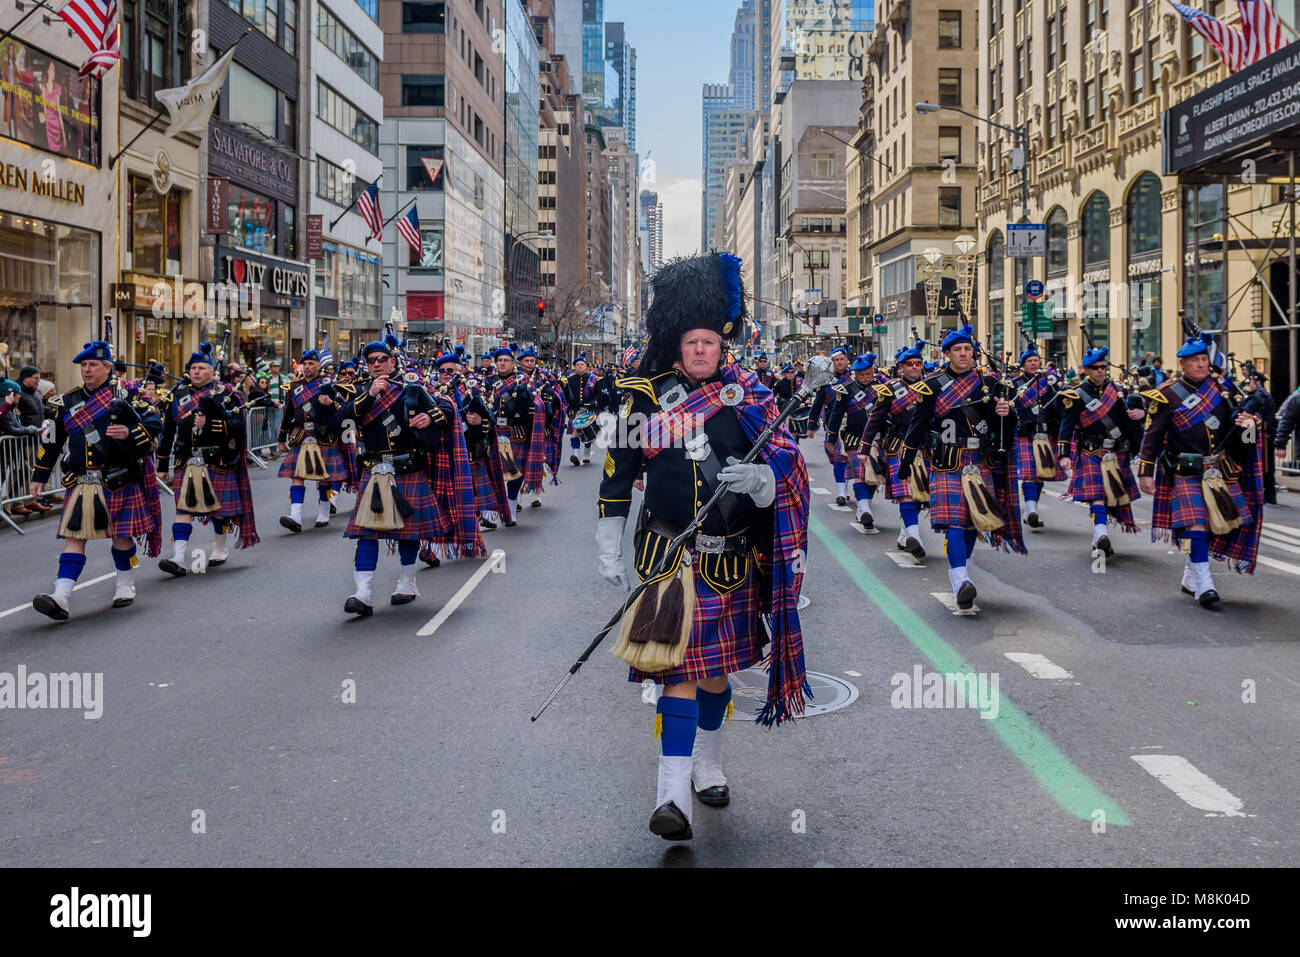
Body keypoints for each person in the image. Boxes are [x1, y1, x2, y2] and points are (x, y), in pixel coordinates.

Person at [596, 252, 810, 842]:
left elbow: (787, 466)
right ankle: (670, 797)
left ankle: (708, 764)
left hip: (730, 556)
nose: (700, 351)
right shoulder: (644, 397)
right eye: (691, 341)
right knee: (678, 673)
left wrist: (765, 482)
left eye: (709, 342)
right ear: (677, 341)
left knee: (716, 675)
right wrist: (609, 538)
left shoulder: (751, 400)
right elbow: (619, 468)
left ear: (723, 344)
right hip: (667, 556)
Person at [330, 337, 481, 616]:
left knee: (408, 531)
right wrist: (370, 394)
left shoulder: (412, 385)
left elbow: (447, 407)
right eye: (371, 361)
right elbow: (339, 421)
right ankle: (363, 592)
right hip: (375, 471)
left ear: (392, 360)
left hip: (408, 467)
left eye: (382, 359)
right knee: (367, 532)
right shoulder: (359, 391)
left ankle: (407, 582)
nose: (377, 365)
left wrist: (431, 418)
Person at [29, 342, 164, 619]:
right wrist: (39, 476)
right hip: (81, 481)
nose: (87, 370)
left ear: (108, 368)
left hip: (117, 478)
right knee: (73, 537)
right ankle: (61, 597)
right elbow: (52, 441)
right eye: (83, 365)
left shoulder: (129, 395)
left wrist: (128, 432)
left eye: (93, 365)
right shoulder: (67, 401)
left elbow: (154, 426)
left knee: (122, 538)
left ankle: (125, 585)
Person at [902, 324, 1024, 610]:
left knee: (972, 523)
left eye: (968, 349)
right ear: (947, 354)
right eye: (957, 350)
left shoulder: (990, 384)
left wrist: (1009, 413)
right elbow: (917, 425)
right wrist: (906, 462)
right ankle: (959, 578)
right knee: (955, 523)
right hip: (946, 462)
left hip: (979, 460)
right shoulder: (931, 385)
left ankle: (963, 572)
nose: (963, 354)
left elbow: (1001, 429)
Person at [1137, 335, 1264, 605]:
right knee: (1196, 522)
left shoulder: (1222, 390)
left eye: (1204, 359)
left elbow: (1239, 433)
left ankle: (1190, 574)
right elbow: (1152, 434)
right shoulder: (1167, 394)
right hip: (1185, 470)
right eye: (1195, 360)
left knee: (1214, 525)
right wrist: (1146, 471)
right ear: (1182, 363)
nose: (1201, 364)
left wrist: (1251, 425)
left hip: (1219, 468)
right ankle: (1205, 583)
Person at [156, 343, 259, 576]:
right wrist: (162, 464)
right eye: (193, 368)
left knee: (218, 509)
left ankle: (220, 549)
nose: (196, 372)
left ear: (212, 372)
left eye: (202, 368)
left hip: (217, 459)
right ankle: (179, 558)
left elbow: (239, 426)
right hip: (186, 460)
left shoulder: (227, 393)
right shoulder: (178, 394)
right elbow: (168, 430)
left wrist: (209, 425)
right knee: (183, 509)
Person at [1056, 346, 1144, 557]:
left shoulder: (1118, 391)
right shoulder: (1076, 395)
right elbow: (1066, 426)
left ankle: (1099, 538)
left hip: (1115, 450)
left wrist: (1140, 416)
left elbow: (1129, 421)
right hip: (1090, 449)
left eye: (1103, 367)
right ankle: (1101, 533)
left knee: (1110, 496)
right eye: (1095, 368)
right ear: (1086, 369)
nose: (1100, 371)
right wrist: (1064, 454)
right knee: (1097, 495)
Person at [862, 344, 926, 557]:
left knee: (919, 496)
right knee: (906, 493)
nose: (915, 367)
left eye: (919, 363)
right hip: (898, 445)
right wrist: (865, 446)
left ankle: (905, 533)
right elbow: (875, 419)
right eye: (911, 364)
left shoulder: (931, 386)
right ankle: (915, 536)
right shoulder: (890, 389)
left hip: (925, 448)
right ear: (901, 367)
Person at [276, 349, 349, 533]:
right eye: (305, 363)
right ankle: (295, 516)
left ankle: (323, 512)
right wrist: (281, 438)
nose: (307, 367)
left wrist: (330, 404)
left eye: (311, 364)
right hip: (300, 435)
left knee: (323, 477)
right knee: (296, 476)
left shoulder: (329, 384)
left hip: (322, 435)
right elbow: (287, 414)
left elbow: (342, 409)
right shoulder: (294, 387)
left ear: (319, 366)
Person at [1008, 344, 1064, 528]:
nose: (1033, 363)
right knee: (1029, 472)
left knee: (1041, 473)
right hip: (1025, 433)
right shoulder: (1015, 385)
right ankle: (1031, 508)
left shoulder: (1048, 383)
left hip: (1046, 433)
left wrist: (1057, 387)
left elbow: (1058, 406)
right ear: (1022, 365)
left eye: (1036, 360)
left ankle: (1032, 508)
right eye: (1029, 361)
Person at [826, 352, 884, 528]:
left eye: (869, 374)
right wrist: (831, 437)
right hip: (854, 437)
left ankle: (864, 506)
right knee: (859, 476)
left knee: (872, 477)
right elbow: (836, 415)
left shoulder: (882, 387)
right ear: (855, 374)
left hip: (877, 439)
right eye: (862, 375)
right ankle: (864, 509)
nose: (866, 378)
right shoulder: (846, 389)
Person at [489, 347, 547, 521]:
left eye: (506, 360)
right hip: (491, 432)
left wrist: (526, 402)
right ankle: (490, 514)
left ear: (513, 363)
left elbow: (538, 405)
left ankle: (511, 509)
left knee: (514, 474)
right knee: (492, 473)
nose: (502, 363)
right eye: (499, 360)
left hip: (515, 432)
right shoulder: (486, 381)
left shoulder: (524, 381)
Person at [808, 346, 853, 504]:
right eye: (836, 360)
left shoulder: (855, 379)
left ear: (847, 361)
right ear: (832, 363)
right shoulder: (826, 380)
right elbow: (818, 403)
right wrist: (811, 426)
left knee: (851, 457)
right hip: (833, 423)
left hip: (854, 423)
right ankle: (840, 490)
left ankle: (845, 485)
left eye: (842, 359)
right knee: (838, 457)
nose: (840, 363)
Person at [1240, 370, 1278, 505]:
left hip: (1263, 435)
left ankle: (1270, 495)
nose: (1248, 383)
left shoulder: (1265, 397)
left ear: (1258, 382)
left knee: (1267, 466)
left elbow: (1269, 417)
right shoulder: (1250, 396)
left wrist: (1266, 431)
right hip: (1250, 433)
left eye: (1251, 381)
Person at [563, 354, 600, 465]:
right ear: (574, 367)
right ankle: (575, 454)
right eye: (577, 364)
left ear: (586, 367)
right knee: (575, 432)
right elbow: (565, 395)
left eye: (581, 364)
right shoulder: (569, 380)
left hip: (589, 409)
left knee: (587, 432)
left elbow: (599, 394)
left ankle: (587, 454)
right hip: (575, 410)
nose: (579, 366)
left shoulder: (593, 379)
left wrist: (593, 403)